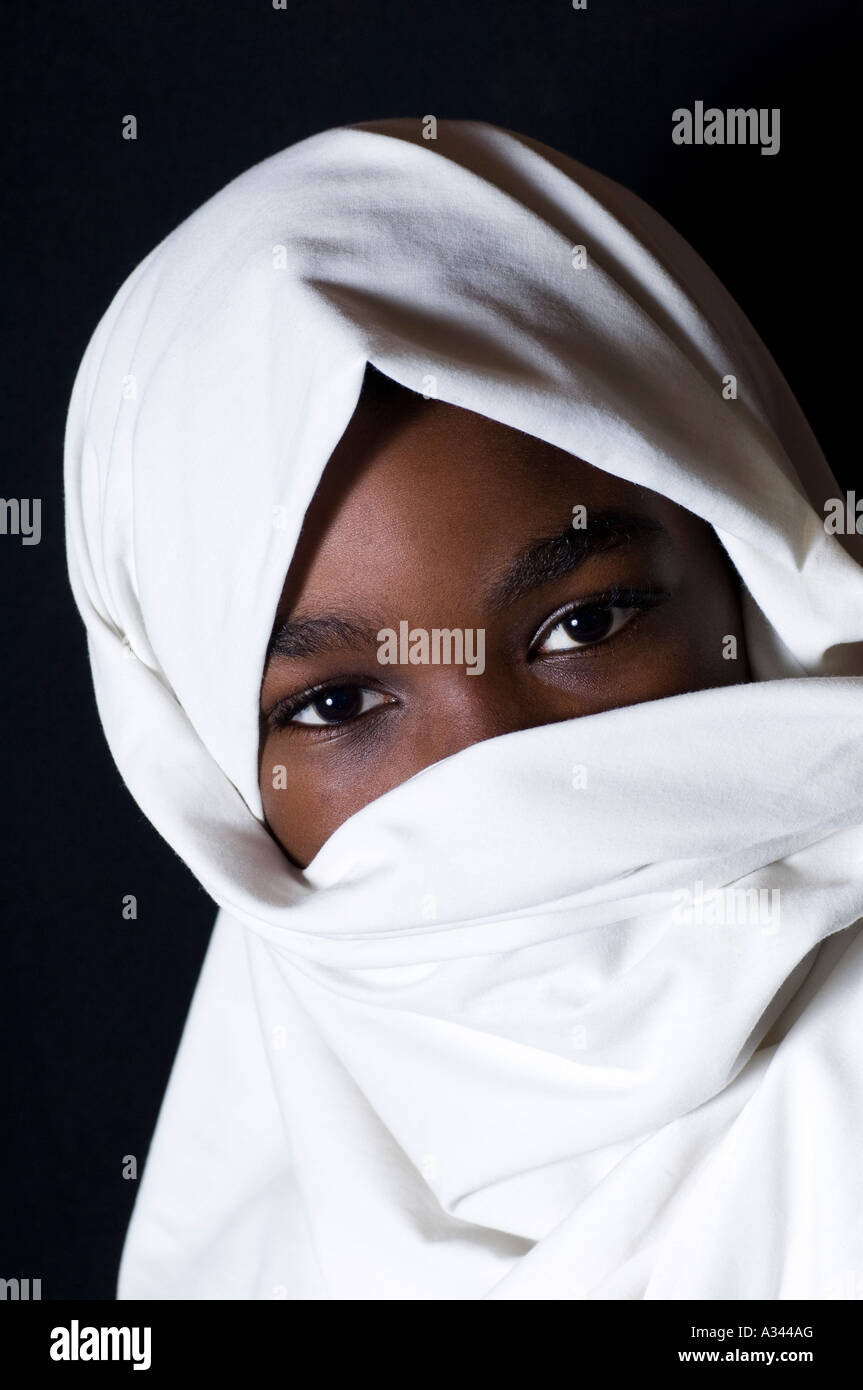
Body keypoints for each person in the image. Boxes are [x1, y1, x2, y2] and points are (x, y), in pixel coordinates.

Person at [65, 117, 863, 1300]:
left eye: (582, 625)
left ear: (756, 574)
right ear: (211, 786)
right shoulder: (234, 1222)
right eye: (338, 702)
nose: (496, 775)